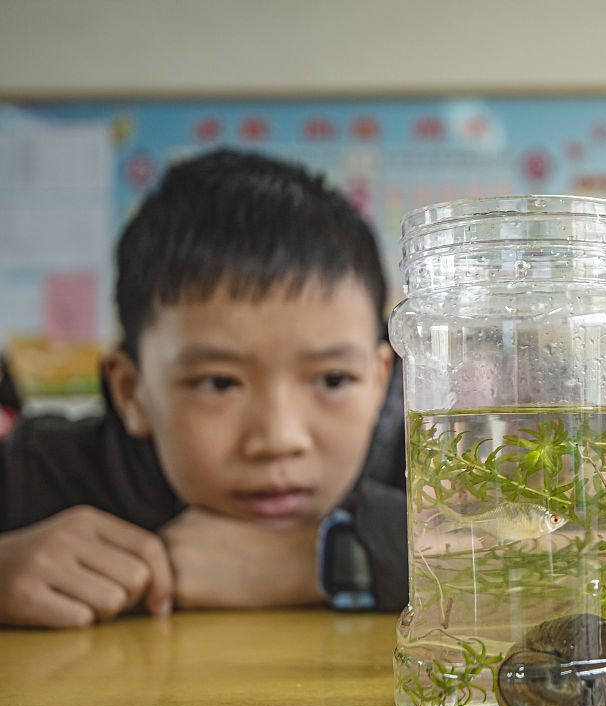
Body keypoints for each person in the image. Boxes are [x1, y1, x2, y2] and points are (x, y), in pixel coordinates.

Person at [0, 149, 409, 628]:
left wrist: (316, 561)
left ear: (379, 379)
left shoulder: (431, 461)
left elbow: (494, 549)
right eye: (219, 383)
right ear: (131, 391)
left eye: (333, 380)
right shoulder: (45, 471)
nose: (279, 440)